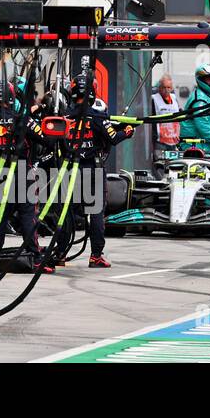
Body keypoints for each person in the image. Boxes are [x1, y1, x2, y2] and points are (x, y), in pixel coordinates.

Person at [55, 68, 133, 268]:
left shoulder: (64, 117)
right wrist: (127, 131)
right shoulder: (98, 117)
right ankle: (95, 255)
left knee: (66, 213)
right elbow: (113, 138)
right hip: (93, 171)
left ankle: (60, 254)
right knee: (96, 212)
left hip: (69, 170)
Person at [0, 81, 50, 272]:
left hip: (1, 175)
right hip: (22, 172)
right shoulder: (23, 120)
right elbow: (45, 137)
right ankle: (34, 256)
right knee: (28, 215)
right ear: (12, 97)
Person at [178, 64, 210, 151]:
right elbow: (202, 122)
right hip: (196, 146)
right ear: (201, 80)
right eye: (209, 79)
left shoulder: (207, 97)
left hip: (203, 145)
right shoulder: (200, 99)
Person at [151, 74, 180, 148]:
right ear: (159, 88)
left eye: (168, 87)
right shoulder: (154, 99)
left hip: (173, 141)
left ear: (171, 88)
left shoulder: (174, 98)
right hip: (160, 141)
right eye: (164, 87)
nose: (166, 90)